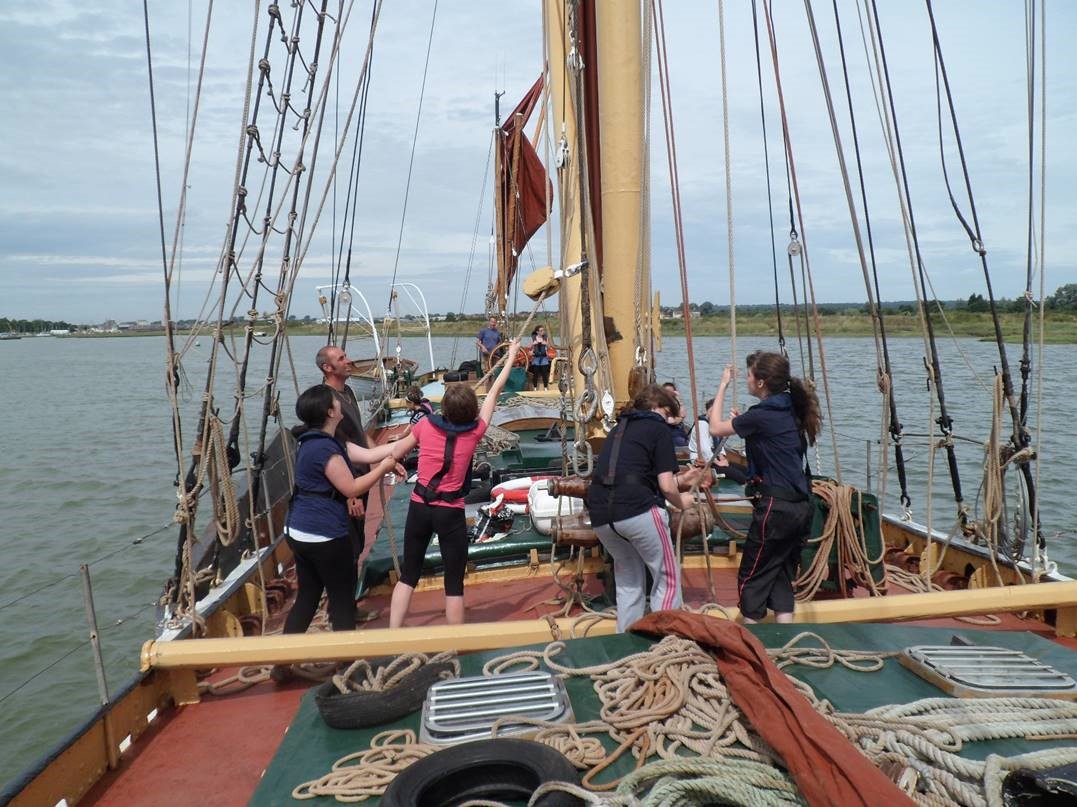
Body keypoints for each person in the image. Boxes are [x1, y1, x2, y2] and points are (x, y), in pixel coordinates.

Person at [387, 340, 523, 628]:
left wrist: (389, 462)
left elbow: (396, 451)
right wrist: (511, 355)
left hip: (420, 506)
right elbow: (494, 391)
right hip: (449, 512)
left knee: (409, 575)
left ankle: (393, 633)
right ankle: (455, 642)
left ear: (444, 408)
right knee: (453, 583)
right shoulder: (475, 432)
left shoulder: (424, 425)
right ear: (471, 410)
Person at [282, 385, 408, 640]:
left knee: (308, 596)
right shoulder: (325, 449)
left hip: (299, 531)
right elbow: (351, 487)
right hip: (324, 535)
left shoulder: (314, 441)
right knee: (341, 600)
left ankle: (283, 656)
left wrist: (413, 438)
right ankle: (346, 659)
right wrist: (383, 469)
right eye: (335, 401)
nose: (340, 403)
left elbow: (367, 455)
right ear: (330, 412)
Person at [708, 351, 821, 624]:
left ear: (761, 382)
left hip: (775, 508)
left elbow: (714, 427)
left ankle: (751, 640)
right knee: (781, 573)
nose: (746, 379)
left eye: (748, 375)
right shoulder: (791, 409)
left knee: (752, 577)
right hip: (800, 507)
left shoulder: (761, 415)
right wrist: (745, 422)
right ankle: (785, 636)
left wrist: (723, 385)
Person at [586, 384, 704, 633]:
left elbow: (635, 475)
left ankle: (626, 637)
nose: (668, 420)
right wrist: (682, 502)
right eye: (666, 413)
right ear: (655, 408)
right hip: (637, 510)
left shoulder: (618, 429)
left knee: (628, 578)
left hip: (601, 515)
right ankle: (664, 638)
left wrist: (684, 479)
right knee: (667, 575)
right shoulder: (657, 428)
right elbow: (666, 486)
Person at [688, 398, 725, 466]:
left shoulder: (715, 424)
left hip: (713, 456)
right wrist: (718, 463)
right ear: (706, 411)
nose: (714, 414)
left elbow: (719, 445)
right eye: (711, 411)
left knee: (741, 468)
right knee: (735, 472)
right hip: (701, 459)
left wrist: (722, 458)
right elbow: (705, 449)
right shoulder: (702, 424)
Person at [661, 381, 690, 448]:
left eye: (670, 392)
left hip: (678, 430)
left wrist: (679, 399)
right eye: (666, 392)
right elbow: (672, 421)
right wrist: (680, 418)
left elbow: (683, 414)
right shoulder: (661, 404)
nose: (668, 394)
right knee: (682, 443)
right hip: (668, 431)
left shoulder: (675, 403)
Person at [528, 325, 552, 390]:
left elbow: (549, 347)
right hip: (536, 358)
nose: (543, 331)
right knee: (535, 374)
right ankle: (535, 387)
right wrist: (533, 344)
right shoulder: (533, 338)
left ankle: (545, 387)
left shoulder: (545, 338)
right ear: (537, 332)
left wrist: (546, 344)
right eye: (541, 330)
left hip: (544, 358)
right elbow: (529, 347)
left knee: (545, 374)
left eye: (543, 330)